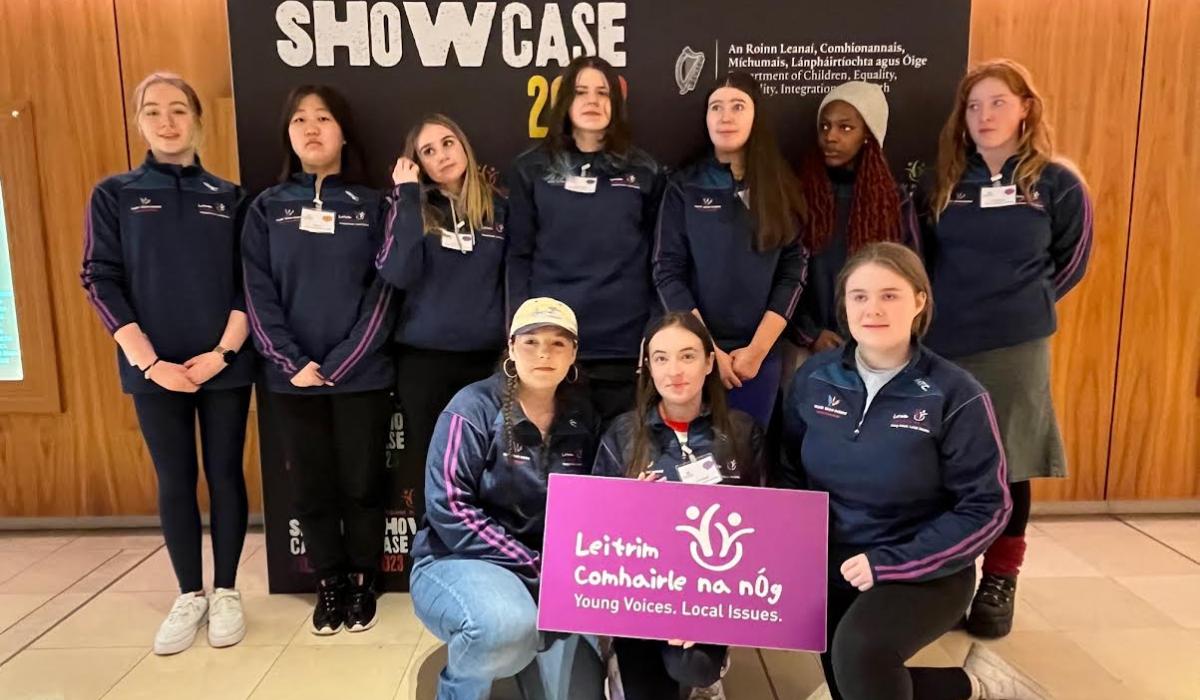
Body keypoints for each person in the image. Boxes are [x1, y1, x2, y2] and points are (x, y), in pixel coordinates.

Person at [781, 242, 1050, 700]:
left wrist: (893, 563)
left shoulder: (955, 393)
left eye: (890, 295)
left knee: (861, 653)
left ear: (919, 301)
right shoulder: (815, 377)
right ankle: (978, 685)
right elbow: (786, 468)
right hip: (836, 561)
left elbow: (988, 506)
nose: (873, 309)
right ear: (844, 305)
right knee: (851, 684)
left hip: (924, 565)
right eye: (859, 296)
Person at [81, 72, 254, 656]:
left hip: (223, 363)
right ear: (139, 121)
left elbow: (248, 286)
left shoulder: (230, 197)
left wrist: (222, 354)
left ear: (198, 120)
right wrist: (151, 363)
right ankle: (190, 593)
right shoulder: (116, 195)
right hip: (152, 368)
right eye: (153, 111)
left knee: (225, 474)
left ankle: (227, 589)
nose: (167, 121)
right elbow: (99, 278)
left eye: (179, 110)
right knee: (175, 478)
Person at [921, 59, 1093, 638]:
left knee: (1010, 463)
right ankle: (947, 576)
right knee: (942, 465)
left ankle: (1000, 578)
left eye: (997, 103)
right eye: (974, 106)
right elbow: (921, 258)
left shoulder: (1057, 182)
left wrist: (1023, 305)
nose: (985, 116)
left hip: (1016, 348)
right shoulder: (944, 181)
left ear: (1025, 109)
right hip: (944, 345)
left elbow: (1069, 263)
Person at [241, 84, 396, 635]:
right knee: (311, 487)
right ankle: (329, 582)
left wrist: (345, 358)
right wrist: (290, 361)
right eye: (300, 119)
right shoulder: (266, 207)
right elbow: (255, 292)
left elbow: (386, 289)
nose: (312, 128)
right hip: (292, 379)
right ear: (288, 133)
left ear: (343, 131)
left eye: (324, 118)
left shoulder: (375, 205)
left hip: (362, 375)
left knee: (361, 483)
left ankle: (362, 579)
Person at [409, 297, 604, 700]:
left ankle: (523, 644)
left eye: (558, 343)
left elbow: (595, 504)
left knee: (580, 692)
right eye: (531, 342)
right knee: (503, 629)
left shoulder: (582, 417)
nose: (544, 354)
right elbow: (449, 507)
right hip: (459, 560)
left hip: (548, 574)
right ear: (511, 348)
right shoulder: (472, 408)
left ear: (574, 355)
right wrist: (533, 564)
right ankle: (462, 687)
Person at [594, 311, 766, 700]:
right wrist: (626, 505)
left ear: (709, 362)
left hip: (711, 591)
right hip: (639, 595)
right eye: (661, 358)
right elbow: (593, 531)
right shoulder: (622, 433)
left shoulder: (741, 431)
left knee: (694, 667)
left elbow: (764, 533)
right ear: (648, 368)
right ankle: (619, 658)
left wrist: (706, 613)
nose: (675, 370)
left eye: (688, 356)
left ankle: (712, 666)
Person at [507, 55, 664, 423]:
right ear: (565, 103)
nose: (593, 101)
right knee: (559, 463)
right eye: (581, 92)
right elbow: (518, 256)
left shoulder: (645, 170)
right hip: (552, 342)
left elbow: (661, 260)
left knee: (619, 462)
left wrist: (655, 331)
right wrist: (519, 331)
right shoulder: (531, 168)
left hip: (624, 343)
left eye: (603, 93)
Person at [653, 71, 808, 428]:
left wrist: (757, 350)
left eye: (738, 106)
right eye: (716, 107)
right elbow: (666, 270)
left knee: (746, 461)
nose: (726, 116)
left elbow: (794, 270)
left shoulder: (782, 186)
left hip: (759, 355)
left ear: (757, 116)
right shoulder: (683, 186)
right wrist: (706, 351)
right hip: (693, 351)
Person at [376, 114, 508, 493]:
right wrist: (407, 194)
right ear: (418, 164)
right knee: (432, 470)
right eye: (428, 151)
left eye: (448, 143)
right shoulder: (409, 207)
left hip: (487, 361)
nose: (443, 156)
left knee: (487, 466)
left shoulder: (500, 208)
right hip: (424, 361)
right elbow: (399, 272)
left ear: (463, 145)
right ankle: (433, 552)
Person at [793, 80, 916, 356]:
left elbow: (911, 277)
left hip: (877, 345)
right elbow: (784, 274)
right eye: (825, 126)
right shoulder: (801, 196)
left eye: (845, 127)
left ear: (868, 135)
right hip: (811, 346)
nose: (830, 136)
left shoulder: (894, 202)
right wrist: (810, 334)